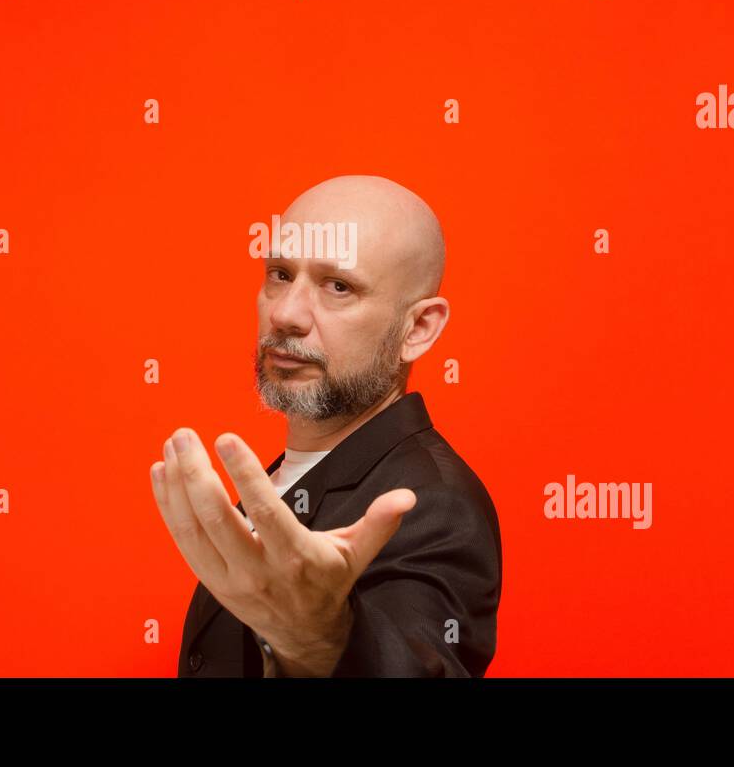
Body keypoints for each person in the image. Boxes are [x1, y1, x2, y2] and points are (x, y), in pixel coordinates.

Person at [150, 175, 502, 676]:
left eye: (339, 286)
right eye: (279, 274)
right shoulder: (288, 476)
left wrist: (320, 642)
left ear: (418, 329)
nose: (286, 313)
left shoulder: (432, 504)